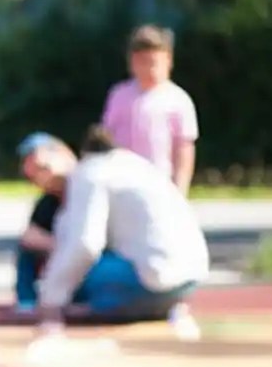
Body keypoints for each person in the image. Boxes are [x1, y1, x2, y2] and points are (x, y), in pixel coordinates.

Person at [19, 130, 208, 338]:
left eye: (44, 168)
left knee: (79, 272)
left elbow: (85, 245)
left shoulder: (89, 175)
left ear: (66, 153)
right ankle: (163, 305)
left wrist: (51, 301)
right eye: (34, 176)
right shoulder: (133, 165)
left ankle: (96, 306)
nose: (44, 178)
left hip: (152, 281)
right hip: (190, 278)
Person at [101, 25, 199, 194]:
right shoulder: (119, 95)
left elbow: (184, 149)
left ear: (168, 60)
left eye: (153, 63)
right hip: (123, 182)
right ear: (132, 62)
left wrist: (180, 189)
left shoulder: (177, 100)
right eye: (142, 62)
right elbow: (107, 137)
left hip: (160, 183)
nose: (148, 69)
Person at [13, 132, 63, 313]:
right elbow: (30, 237)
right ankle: (27, 301)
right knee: (27, 248)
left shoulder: (86, 185)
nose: (42, 178)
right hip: (68, 264)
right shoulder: (48, 202)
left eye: (44, 169)